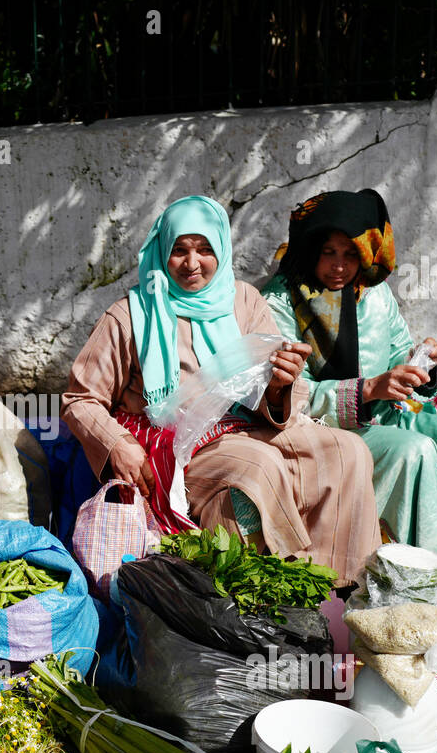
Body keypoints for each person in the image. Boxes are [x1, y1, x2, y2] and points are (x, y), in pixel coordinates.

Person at [61, 195, 378, 587]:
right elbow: (81, 399)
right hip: (175, 444)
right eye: (179, 250)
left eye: (205, 250)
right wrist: (118, 444)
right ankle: (274, 594)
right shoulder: (130, 314)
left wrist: (281, 383)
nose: (192, 264)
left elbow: (278, 393)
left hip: (247, 423)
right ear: (163, 250)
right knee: (256, 468)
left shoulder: (244, 300)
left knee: (348, 452)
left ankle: (341, 587)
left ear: (222, 249)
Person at [262, 189, 437, 565]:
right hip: (324, 429)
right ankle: (423, 567)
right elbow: (287, 392)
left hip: (385, 416)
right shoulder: (279, 300)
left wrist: (424, 365)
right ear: (311, 250)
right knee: (414, 450)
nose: (340, 266)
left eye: (351, 254)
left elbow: (398, 354)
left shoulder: (373, 294)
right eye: (329, 252)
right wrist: (367, 390)